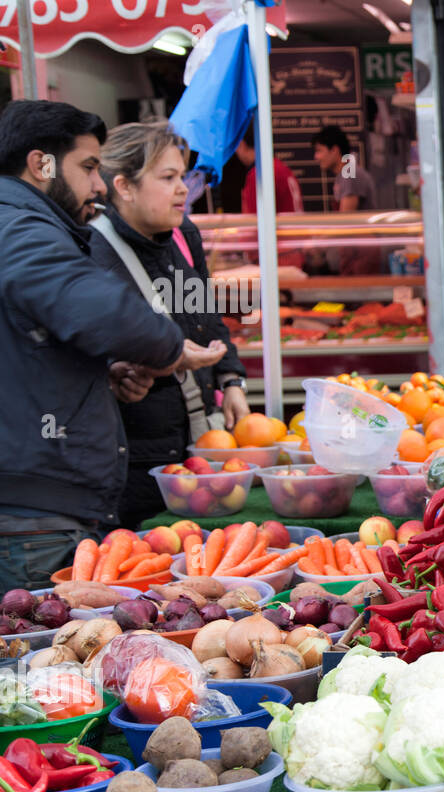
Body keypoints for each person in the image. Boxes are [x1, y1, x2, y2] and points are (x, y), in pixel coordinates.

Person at [0, 101, 226, 589]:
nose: (97, 184)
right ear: (40, 164)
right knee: (36, 655)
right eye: (87, 168)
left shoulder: (25, 225)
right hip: (33, 510)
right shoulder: (19, 226)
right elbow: (87, 305)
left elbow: (25, 349)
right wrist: (169, 348)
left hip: (42, 502)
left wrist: (103, 373)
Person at [88, 121, 251, 530]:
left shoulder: (182, 234)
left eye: (183, 176)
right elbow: (85, 341)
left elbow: (206, 312)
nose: (184, 189)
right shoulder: (92, 249)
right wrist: (115, 373)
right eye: (168, 178)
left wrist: (231, 378)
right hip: (135, 454)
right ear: (124, 187)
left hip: (197, 439)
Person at [235, 122, 304, 215]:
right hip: (293, 227)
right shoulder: (280, 167)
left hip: (279, 229)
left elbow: (253, 221)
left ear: (241, 144)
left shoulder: (259, 174)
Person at [312, 124, 375, 213]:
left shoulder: (349, 174)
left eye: (319, 151)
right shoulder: (346, 174)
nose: (316, 157)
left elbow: (345, 221)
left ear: (334, 150)